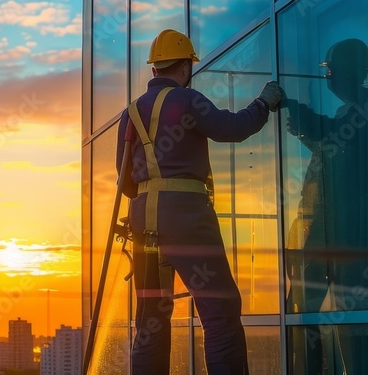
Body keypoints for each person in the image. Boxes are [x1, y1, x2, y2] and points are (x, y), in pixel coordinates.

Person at [115, 29, 284, 375]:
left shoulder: (130, 113)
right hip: (186, 217)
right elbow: (232, 128)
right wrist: (264, 103)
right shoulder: (187, 101)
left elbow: (124, 177)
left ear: (155, 70)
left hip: (142, 219)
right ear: (185, 67)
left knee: (151, 317)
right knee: (219, 307)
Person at [283, 38, 368, 374]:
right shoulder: (361, 114)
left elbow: (339, 140)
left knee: (350, 319)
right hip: (336, 230)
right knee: (305, 309)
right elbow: (334, 153)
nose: (328, 79)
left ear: (347, 74)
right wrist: (306, 132)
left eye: (331, 72)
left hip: (348, 232)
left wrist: (294, 108)